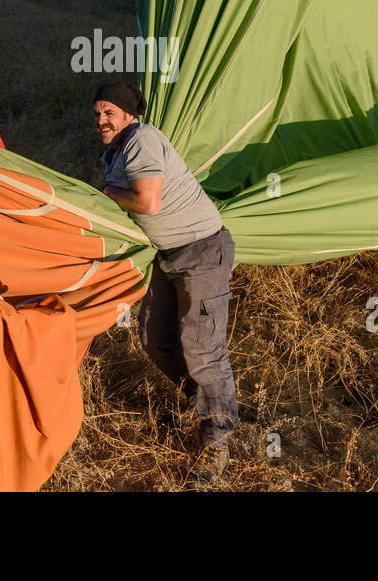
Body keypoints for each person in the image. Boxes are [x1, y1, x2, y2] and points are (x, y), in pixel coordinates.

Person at [93, 82, 237, 487]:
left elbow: (148, 202)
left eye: (109, 113)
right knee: (155, 339)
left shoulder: (141, 139)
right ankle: (206, 402)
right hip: (168, 254)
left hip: (202, 250)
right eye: (97, 113)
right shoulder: (118, 147)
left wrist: (106, 192)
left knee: (203, 350)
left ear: (128, 114)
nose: (101, 120)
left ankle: (217, 439)